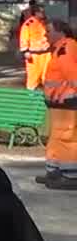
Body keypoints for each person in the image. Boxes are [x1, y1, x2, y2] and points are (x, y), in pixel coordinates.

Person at [36, 19, 77, 190]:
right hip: (59, 102)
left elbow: (72, 75)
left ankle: (71, 175)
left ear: (60, 31)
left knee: (66, 137)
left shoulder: (67, 47)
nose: (46, 34)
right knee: (57, 136)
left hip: (66, 101)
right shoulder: (60, 47)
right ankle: (55, 170)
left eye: (48, 31)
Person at [18, 1, 51, 91]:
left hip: (47, 53)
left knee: (48, 75)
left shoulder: (46, 23)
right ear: (36, 13)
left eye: (44, 12)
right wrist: (25, 51)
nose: (43, 13)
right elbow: (24, 38)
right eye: (41, 12)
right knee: (33, 76)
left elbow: (52, 35)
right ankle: (31, 97)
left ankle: (47, 96)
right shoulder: (28, 24)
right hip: (34, 55)